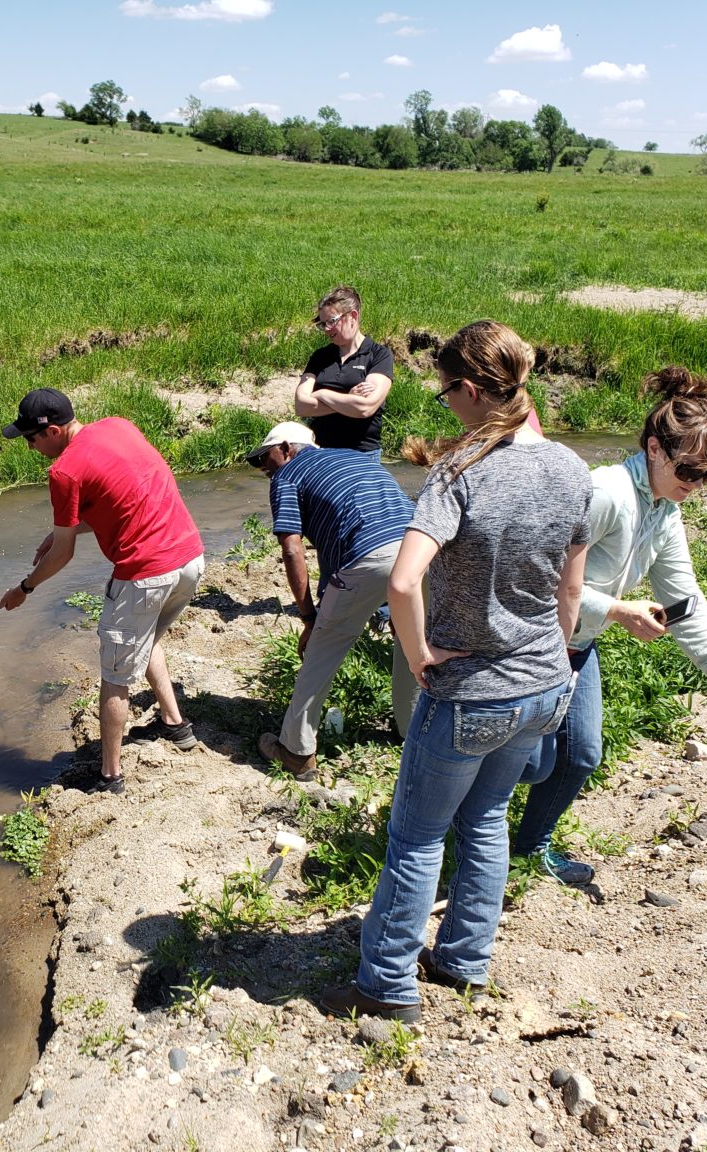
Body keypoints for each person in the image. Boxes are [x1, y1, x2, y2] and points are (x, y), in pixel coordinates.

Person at [322, 321, 592, 1022]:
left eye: (445, 395)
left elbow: (404, 583)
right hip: (542, 684)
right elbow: (570, 592)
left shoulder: (459, 472)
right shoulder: (570, 467)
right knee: (489, 819)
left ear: (471, 391)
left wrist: (420, 658)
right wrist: (554, 666)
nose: (445, 406)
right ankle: (464, 961)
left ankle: (385, 985)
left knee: (415, 837)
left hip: (470, 691)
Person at [513, 367, 707, 885]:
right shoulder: (606, 493)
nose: (699, 485)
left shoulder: (663, 509)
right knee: (529, 764)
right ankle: (459, 838)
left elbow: (684, 599)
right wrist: (618, 611)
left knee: (580, 755)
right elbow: (536, 574)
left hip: (578, 645)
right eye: (691, 470)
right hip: (529, 646)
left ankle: (528, 848)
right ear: (655, 449)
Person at [0, 388, 204, 794]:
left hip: (144, 573)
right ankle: (175, 724)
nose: (28, 445)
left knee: (114, 676)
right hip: (190, 559)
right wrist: (62, 530)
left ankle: (110, 775)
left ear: (53, 431)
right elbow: (123, 499)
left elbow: (62, 556)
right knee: (142, 637)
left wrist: (25, 587)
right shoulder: (118, 426)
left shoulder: (64, 472)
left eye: (31, 437)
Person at [249, 422, 418, 781]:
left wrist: (309, 617)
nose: (265, 469)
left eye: (265, 460)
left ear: (286, 447)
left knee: (322, 650)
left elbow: (292, 548)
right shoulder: (355, 458)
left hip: (371, 555)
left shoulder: (288, 475)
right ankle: (409, 730)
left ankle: (295, 751)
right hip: (422, 549)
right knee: (411, 638)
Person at [294, 285, 394, 455]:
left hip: (362, 454)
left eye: (332, 321)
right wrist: (349, 398)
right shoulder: (321, 356)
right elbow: (301, 406)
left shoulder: (379, 355)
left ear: (353, 316)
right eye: (322, 324)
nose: (326, 329)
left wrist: (321, 394)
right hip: (321, 450)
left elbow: (365, 408)